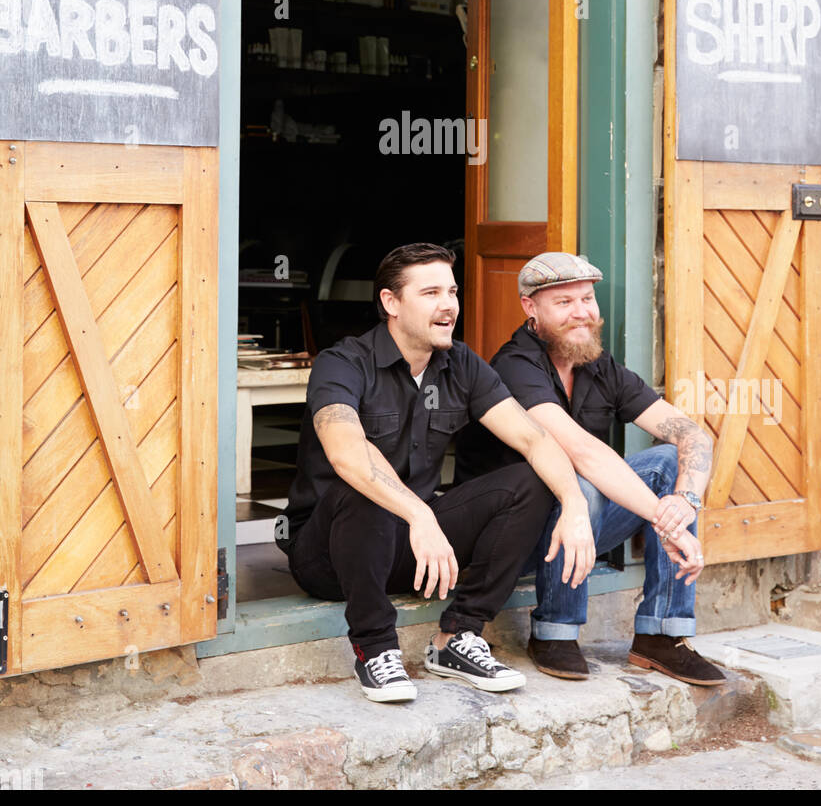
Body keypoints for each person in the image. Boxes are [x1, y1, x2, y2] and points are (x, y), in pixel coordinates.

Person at [276, 242, 597, 704]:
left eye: (452, 291)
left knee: (530, 479)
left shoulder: (461, 363)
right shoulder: (342, 363)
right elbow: (346, 454)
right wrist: (420, 516)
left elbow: (534, 438)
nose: (448, 305)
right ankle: (375, 648)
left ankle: (458, 637)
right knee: (366, 482)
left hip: (412, 552)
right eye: (430, 293)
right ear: (391, 303)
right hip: (330, 556)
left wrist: (574, 503)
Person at [454, 252, 725, 687]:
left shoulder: (598, 367)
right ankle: (554, 632)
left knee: (670, 463)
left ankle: (661, 636)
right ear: (530, 307)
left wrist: (686, 502)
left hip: (578, 527)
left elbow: (693, 435)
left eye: (587, 299)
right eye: (563, 303)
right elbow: (580, 451)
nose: (581, 313)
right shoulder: (514, 366)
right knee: (583, 482)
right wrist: (668, 524)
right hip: (504, 539)